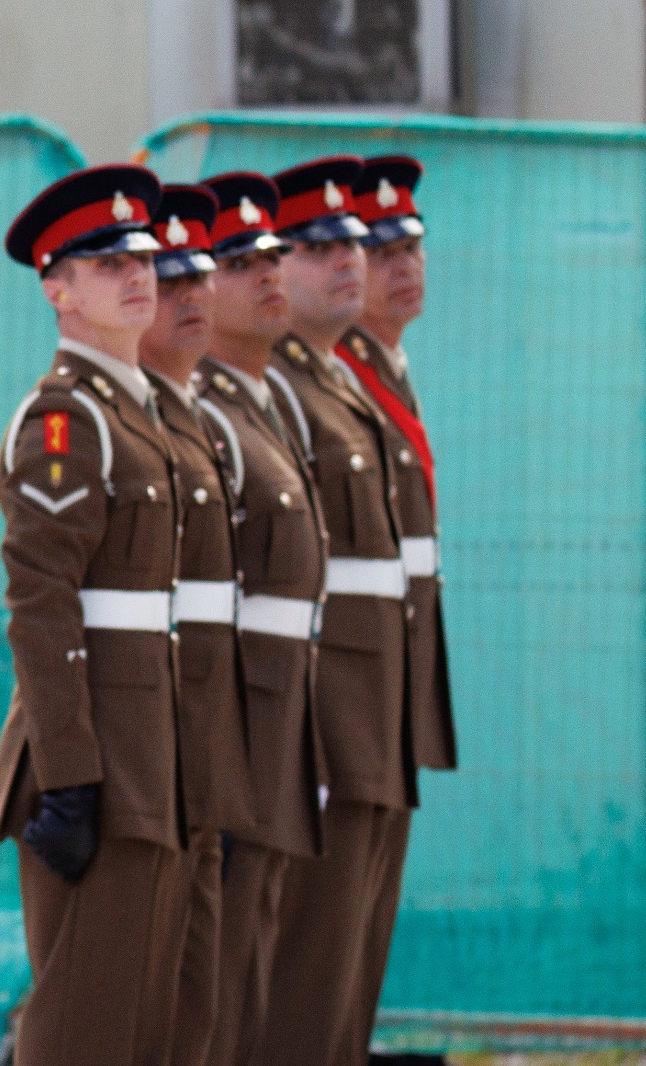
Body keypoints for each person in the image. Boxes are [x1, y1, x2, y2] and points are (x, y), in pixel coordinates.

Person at [0, 164, 193, 1066]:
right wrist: (70, 777)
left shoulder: (138, 411)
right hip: (100, 768)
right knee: (82, 1026)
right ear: (57, 288)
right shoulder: (67, 420)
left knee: (142, 1029)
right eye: (109, 263)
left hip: (151, 762)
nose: (138, 275)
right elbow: (42, 603)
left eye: (142, 258)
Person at [251, 156, 412, 1066]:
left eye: (355, 244)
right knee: (306, 975)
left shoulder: (341, 379)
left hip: (374, 705)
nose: (350, 260)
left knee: (348, 972)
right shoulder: (279, 385)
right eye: (319, 247)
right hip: (326, 715)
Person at [189, 172, 329, 1066]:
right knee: (216, 987)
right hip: (235, 728)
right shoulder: (208, 413)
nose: (267, 275)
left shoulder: (264, 400)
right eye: (239, 263)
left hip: (280, 723)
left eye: (272, 257)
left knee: (251, 978)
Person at [337, 155, 456, 1063]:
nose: (402, 264)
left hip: (392, 683)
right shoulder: (335, 376)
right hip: (346, 697)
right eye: (380, 250)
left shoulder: (386, 368)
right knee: (326, 935)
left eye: (410, 245)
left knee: (359, 935)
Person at [135, 182, 255, 1065]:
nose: (188, 295)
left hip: (202, 740)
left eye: (196, 276)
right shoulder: (83, 420)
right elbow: (50, 606)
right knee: (113, 1008)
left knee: (195, 1008)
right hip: (138, 755)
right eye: (161, 277)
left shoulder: (191, 419)